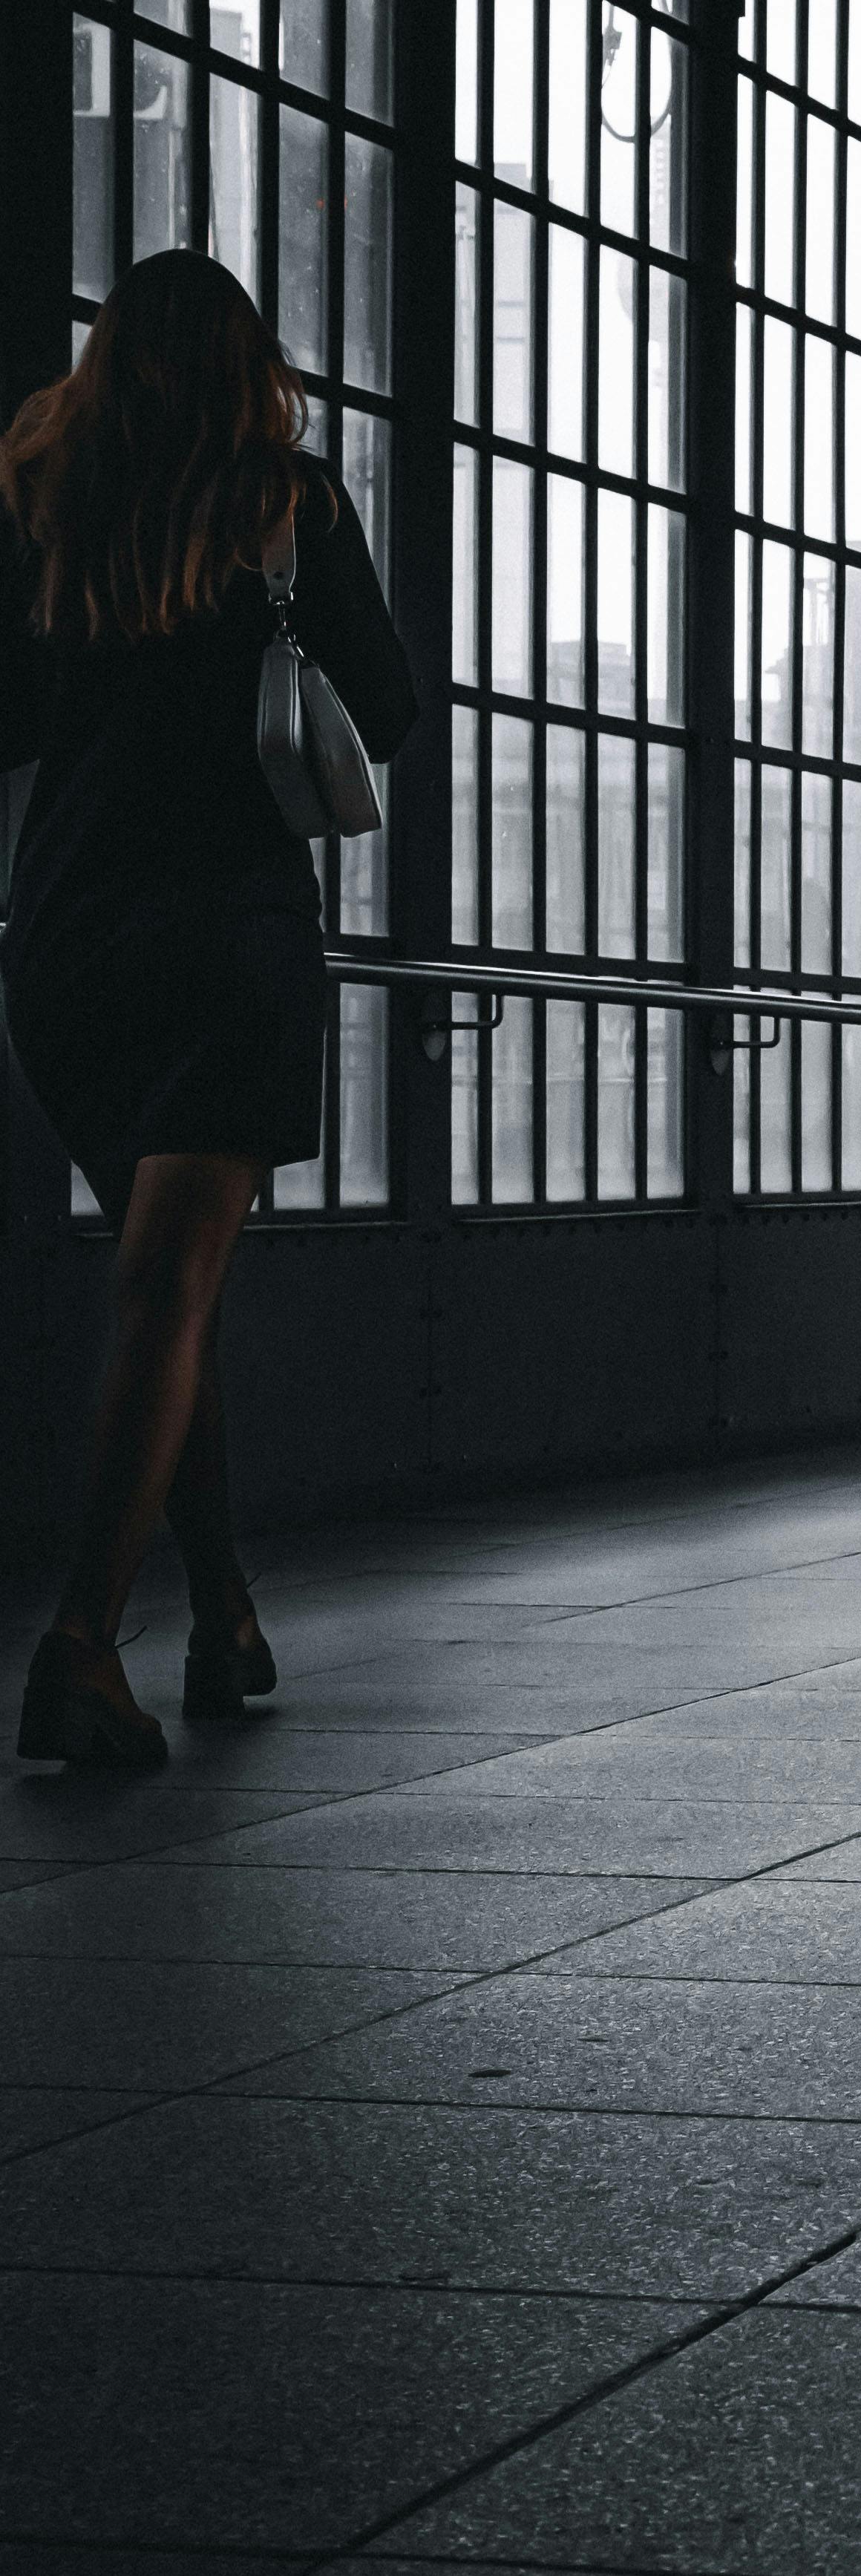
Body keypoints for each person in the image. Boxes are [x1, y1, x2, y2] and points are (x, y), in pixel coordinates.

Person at [1, 254, 416, 1766]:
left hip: (66, 941)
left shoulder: (45, 505)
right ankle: (78, 1645)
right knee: (168, 1289)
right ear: (251, 364)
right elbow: (389, 707)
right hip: (225, 940)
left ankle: (228, 1614)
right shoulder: (283, 504)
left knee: (163, 1292)